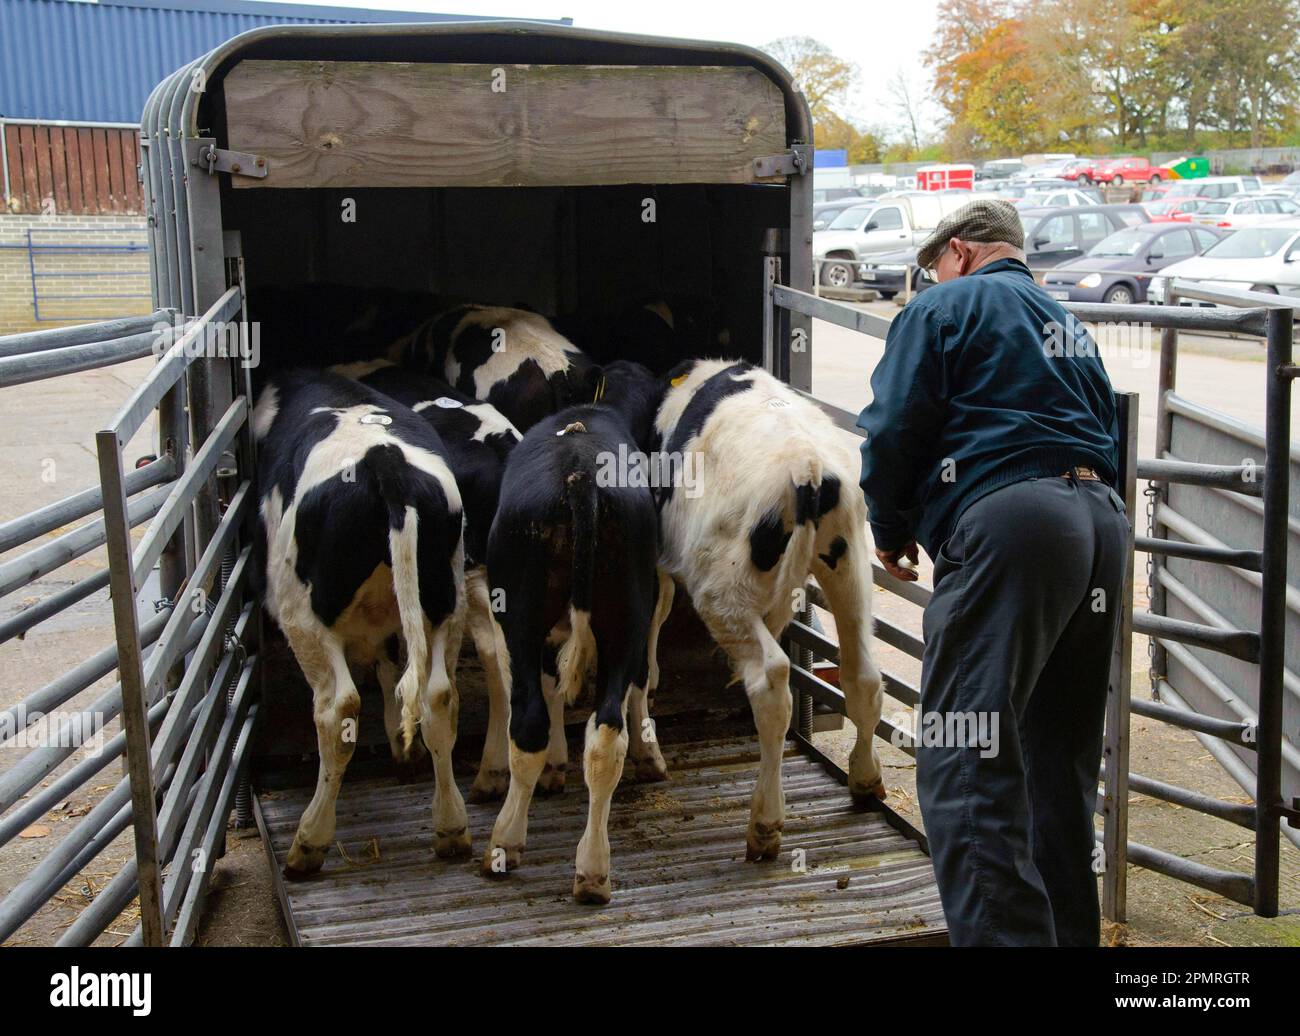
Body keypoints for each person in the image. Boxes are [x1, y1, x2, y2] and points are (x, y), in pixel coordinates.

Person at [857, 199, 1129, 946]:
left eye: (931, 267)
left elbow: (891, 426)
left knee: (965, 752)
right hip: (1098, 527)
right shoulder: (1067, 321)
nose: (928, 280)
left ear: (961, 252)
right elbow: (1105, 426)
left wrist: (890, 525)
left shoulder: (946, 304)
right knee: (1058, 759)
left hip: (1013, 524)